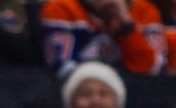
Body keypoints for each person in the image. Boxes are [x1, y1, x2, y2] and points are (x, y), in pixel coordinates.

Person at [39, 0, 167, 74]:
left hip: (133, 94)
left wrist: (127, 24)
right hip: (81, 96)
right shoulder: (60, 7)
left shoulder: (146, 11)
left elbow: (152, 70)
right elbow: (65, 68)